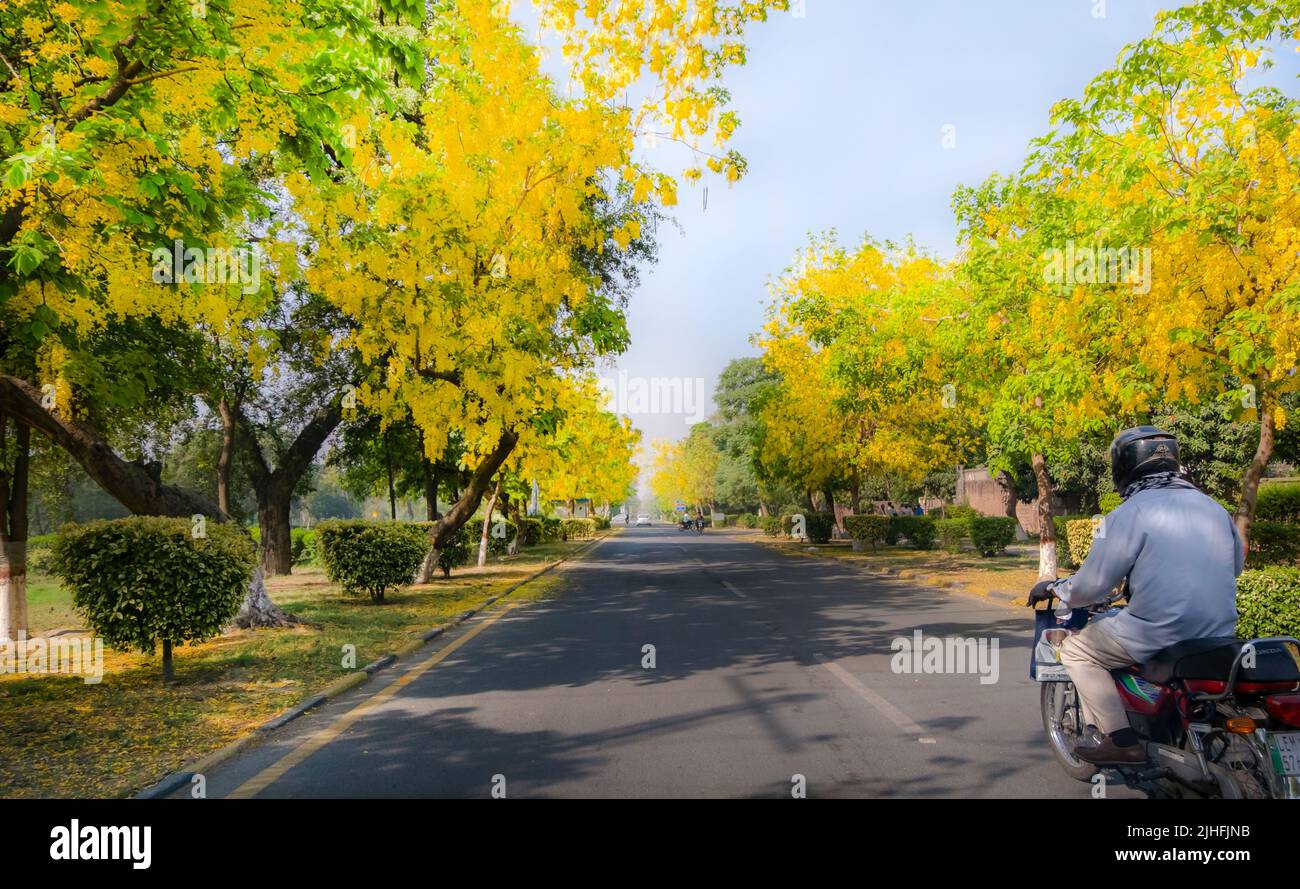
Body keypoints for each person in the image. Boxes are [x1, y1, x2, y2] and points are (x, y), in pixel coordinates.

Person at [1028, 426, 1242, 765]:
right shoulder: (1214, 509)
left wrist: (1055, 587)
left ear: (1123, 467)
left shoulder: (1129, 513)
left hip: (1159, 632)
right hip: (1219, 632)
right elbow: (1235, 569)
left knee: (1077, 650)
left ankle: (1122, 741)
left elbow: (1091, 587)